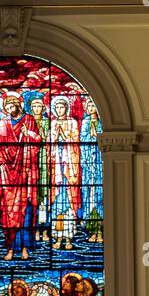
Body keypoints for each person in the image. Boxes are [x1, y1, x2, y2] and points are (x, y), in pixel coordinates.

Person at [0, 93, 40, 260]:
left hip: (25, 171)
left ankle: (25, 248)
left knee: (25, 211)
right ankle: (11, 249)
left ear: (18, 106)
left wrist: (29, 134)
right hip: (7, 171)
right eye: (6, 108)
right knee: (8, 212)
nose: (9, 110)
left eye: (11, 107)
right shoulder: (4, 122)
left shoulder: (29, 120)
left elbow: (38, 141)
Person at [49, 97, 81, 250]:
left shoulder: (73, 122)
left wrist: (65, 136)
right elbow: (50, 142)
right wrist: (56, 137)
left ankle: (68, 238)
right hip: (57, 170)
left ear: (66, 108)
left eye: (62, 107)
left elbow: (75, 140)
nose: (59, 110)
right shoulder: (53, 123)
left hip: (69, 167)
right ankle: (58, 237)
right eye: (57, 108)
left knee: (68, 208)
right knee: (57, 208)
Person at [28, 95, 52, 242]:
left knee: (44, 198)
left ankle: (44, 229)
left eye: (40, 106)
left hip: (44, 160)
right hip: (30, 162)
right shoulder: (28, 122)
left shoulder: (47, 122)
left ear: (43, 108)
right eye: (34, 106)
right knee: (32, 198)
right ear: (31, 108)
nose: (37, 108)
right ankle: (34, 229)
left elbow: (49, 140)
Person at [80, 97, 103, 243]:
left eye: (94, 104)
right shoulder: (84, 123)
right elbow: (82, 140)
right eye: (89, 104)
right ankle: (92, 232)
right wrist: (90, 136)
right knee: (89, 198)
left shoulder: (102, 123)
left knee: (99, 198)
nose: (91, 107)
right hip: (89, 164)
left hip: (100, 164)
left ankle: (100, 232)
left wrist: (97, 136)